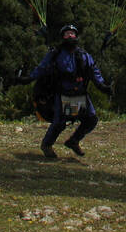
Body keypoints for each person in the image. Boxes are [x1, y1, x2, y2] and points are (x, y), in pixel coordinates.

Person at [28, 24, 112, 158]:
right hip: (63, 94)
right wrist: (27, 78)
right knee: (60, 123)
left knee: (91, 119)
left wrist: (102, 86)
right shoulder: (56, 54)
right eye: (67, 34)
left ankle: (73, 141)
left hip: (79, 94)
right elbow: (42, 68)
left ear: (76, 36)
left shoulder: (84, 55)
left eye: (72, 33)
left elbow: (94, 71)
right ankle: (47, 145)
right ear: (63, 37)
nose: (70, 35)